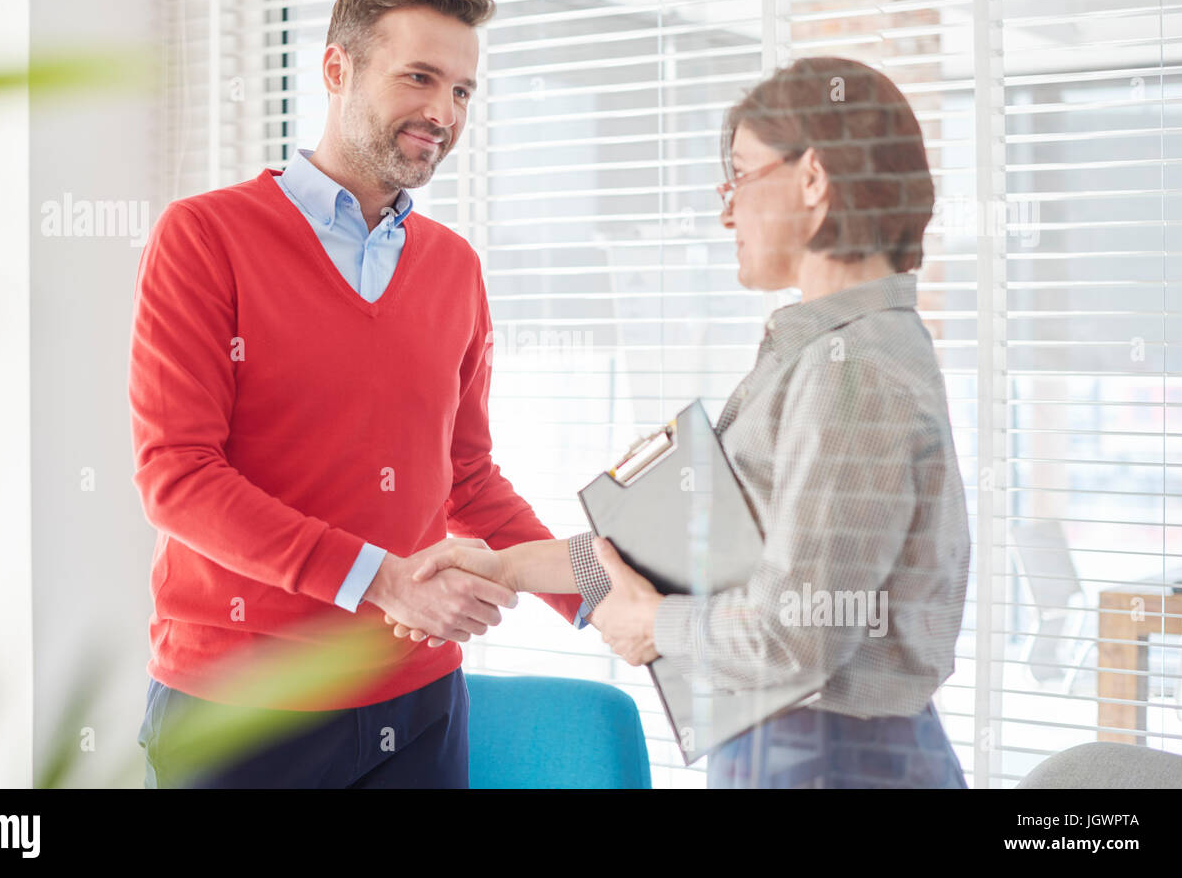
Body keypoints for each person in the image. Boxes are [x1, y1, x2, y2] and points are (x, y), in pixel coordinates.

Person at [392, 57, 973, 789]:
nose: (727, 210)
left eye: (740, 176)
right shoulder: (815, 357)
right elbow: (688, 557)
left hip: (837, 759)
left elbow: (799, 631)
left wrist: (653, 625)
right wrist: (504, 565)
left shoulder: (852, 371)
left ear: (814, 180)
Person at [129, 0, 595, 789]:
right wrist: (381, 581)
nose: (443, 114)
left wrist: (596, 592)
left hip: (418, 699)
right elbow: (177, 477)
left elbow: (468, 476)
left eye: (462, 91)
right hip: (241, 705)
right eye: (419, 77)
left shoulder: (455, 268)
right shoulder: (205, 237)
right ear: (337, 70)